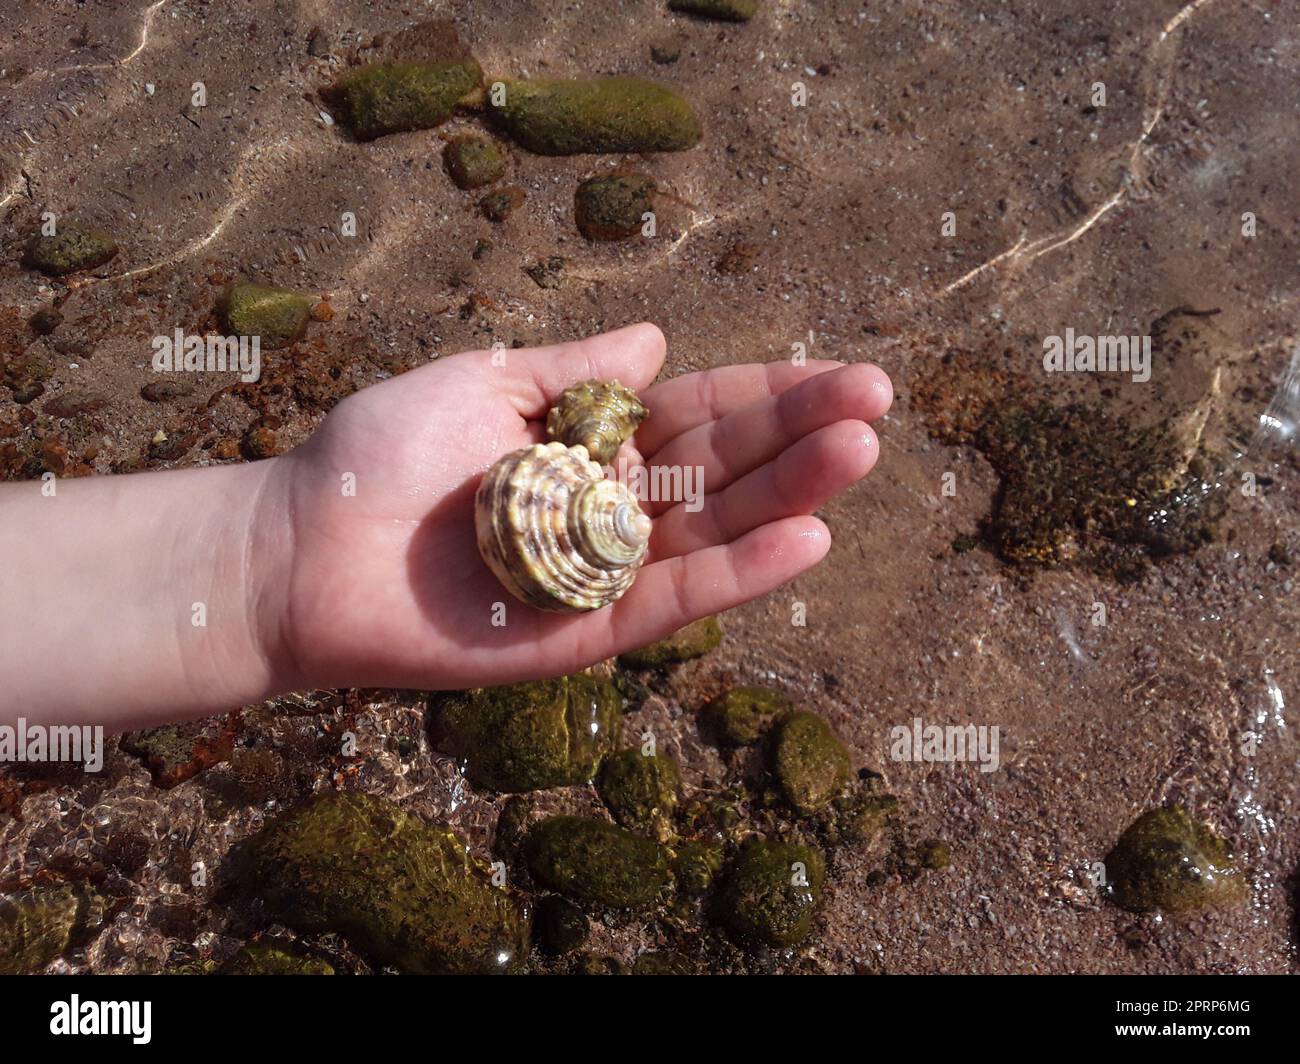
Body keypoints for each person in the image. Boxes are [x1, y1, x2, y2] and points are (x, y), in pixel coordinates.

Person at [0, 323, 892, 732]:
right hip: (565, 546)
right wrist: (270, 550)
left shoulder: (563, 478)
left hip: (563, 542)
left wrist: (260, 553)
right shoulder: (577, 486)